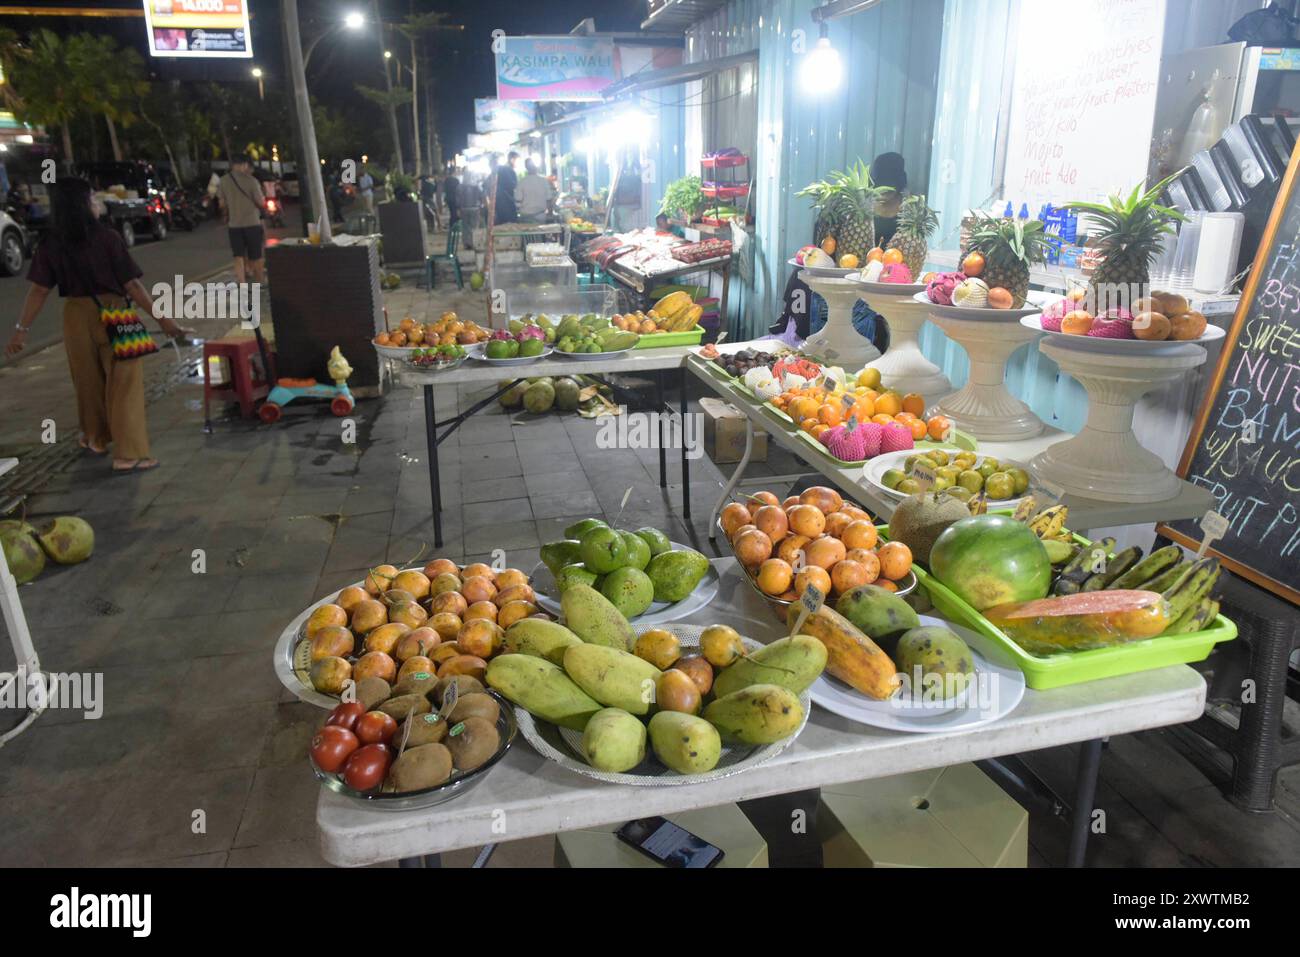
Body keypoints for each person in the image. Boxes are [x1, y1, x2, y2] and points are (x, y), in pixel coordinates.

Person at [6, 178, 188, 472]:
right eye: (92, 197)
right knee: (125, 383)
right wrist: (164, 320)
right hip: (114, 312)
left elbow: (39, 290)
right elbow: (132, 285)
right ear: (82, 204)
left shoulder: (51, 243)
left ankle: (95, 438)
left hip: (76, 316)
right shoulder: (108, 238)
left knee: (87, 382)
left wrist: (21, 330)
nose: (97, 201)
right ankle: (129, 454)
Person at [216, 154, 266, 286]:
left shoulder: (223, 181)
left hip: (234, 225)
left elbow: (221, 204)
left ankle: (242, 282)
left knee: (238, 255)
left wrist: (228, 213)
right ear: (244, 164)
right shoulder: (251, 181)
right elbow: (261, 202)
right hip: (252, 223)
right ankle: (260, 281)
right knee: (256, 255)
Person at [515, 159, 554, 225]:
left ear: (526, 168)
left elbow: (518, 202)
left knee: (527, 235)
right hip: (540, 216)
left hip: (525, 217)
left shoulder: (522, 182)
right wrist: (550, 214)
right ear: (536, 167)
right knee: (541, 234)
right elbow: (549, 200)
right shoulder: (544, 181)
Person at [494, 152, 519, 224]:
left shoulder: (502, 169)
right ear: (512, 160)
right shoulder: (508, 170)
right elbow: (513, 186)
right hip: (508, 204)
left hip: (500, 205)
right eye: (517, 160)